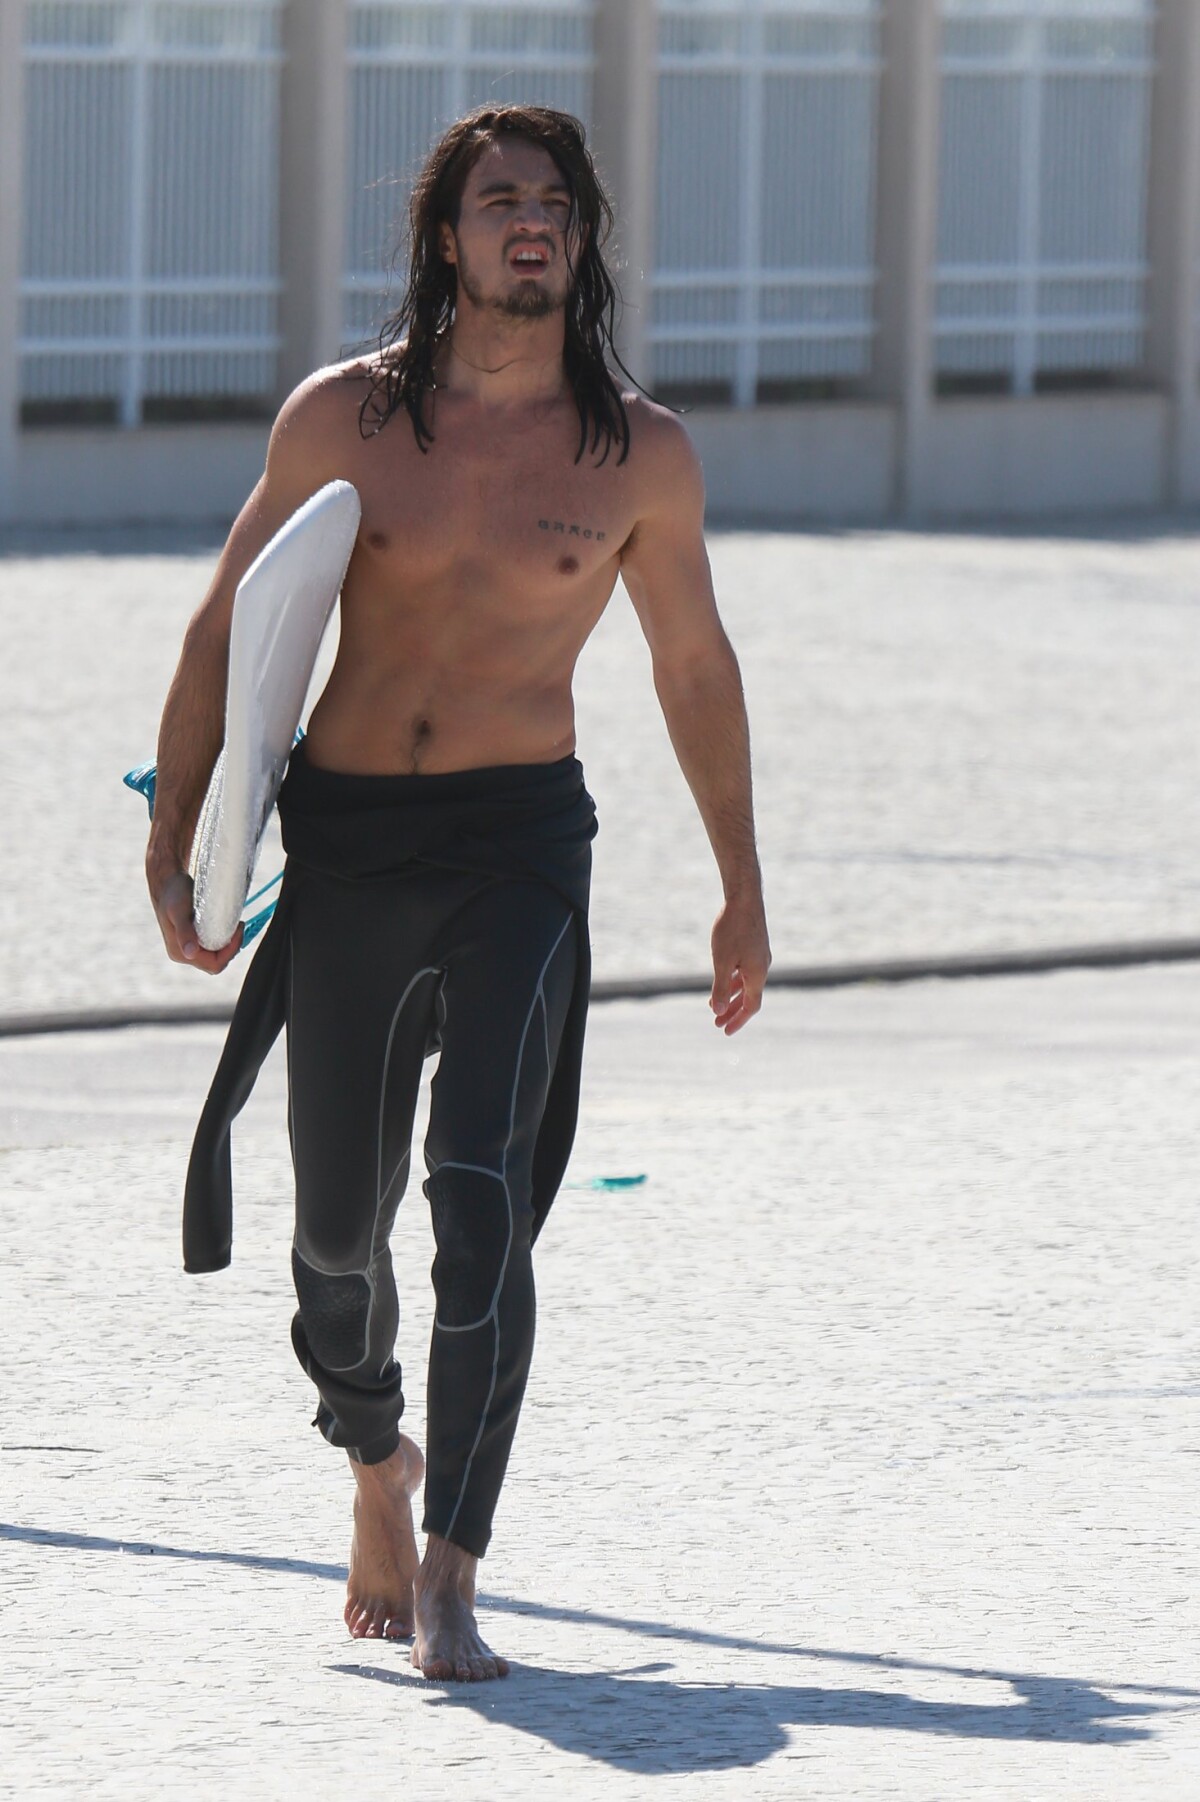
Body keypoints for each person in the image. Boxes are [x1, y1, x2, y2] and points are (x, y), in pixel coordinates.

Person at [145, 104, 770, 1684]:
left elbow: (693, 664)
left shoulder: (638, 453)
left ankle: (455, 1563)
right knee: (336, 1244)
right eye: (500, 200)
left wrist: (740, 886)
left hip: (519, 850)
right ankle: (376, 1457)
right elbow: (232, 626)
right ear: (445, 235)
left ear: (582, 237)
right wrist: (177, 847)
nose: (531, 222)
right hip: (348, 843)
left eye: (555, 201)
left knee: (482, 1197)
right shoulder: (346, 424)